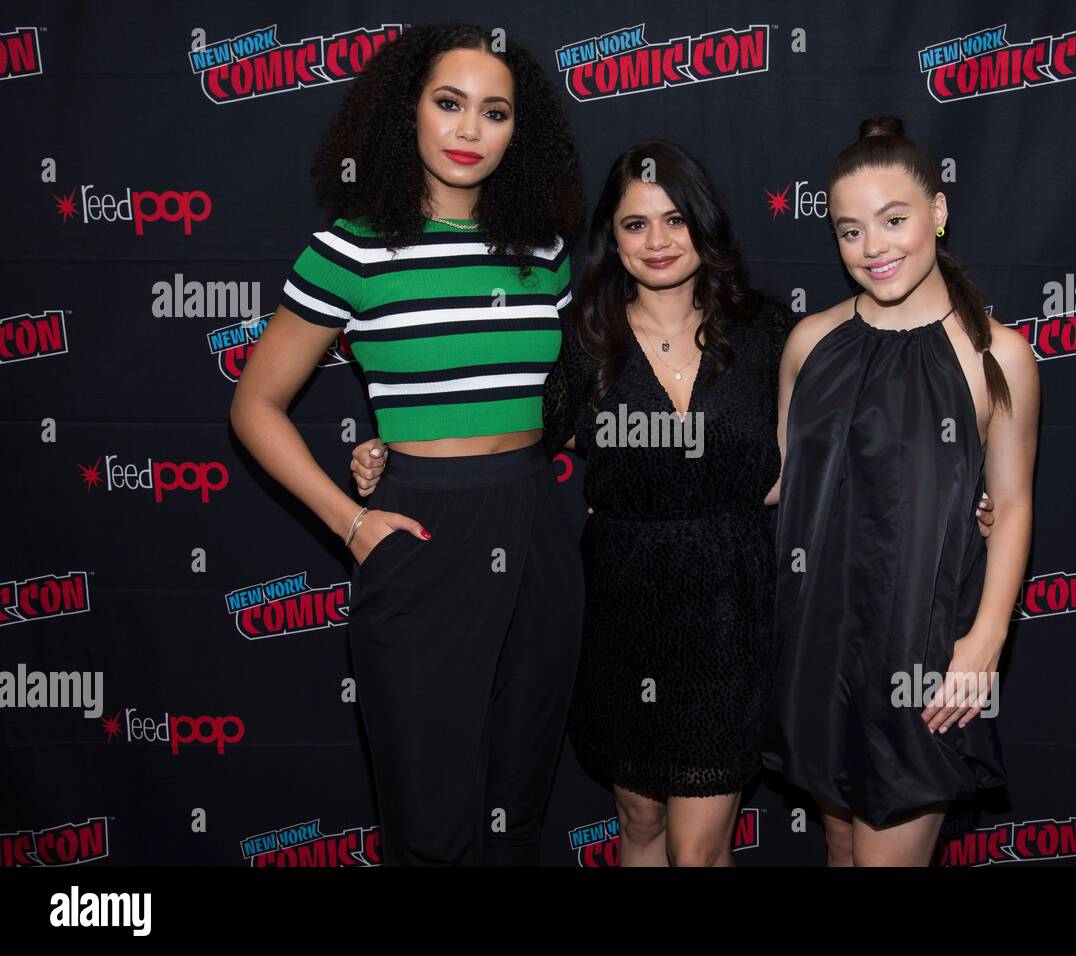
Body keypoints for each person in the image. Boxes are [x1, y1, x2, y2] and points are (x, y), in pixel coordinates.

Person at [353, 140, 1000, 866]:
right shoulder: (582, 341)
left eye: (674, 220)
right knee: (638, 824)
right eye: (635, 225)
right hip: (620, 613)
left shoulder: (772, 334)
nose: (657, 241)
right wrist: (397, 456)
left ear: (705, 224)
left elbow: (835, 455)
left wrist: (962, 497)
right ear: (613, 236)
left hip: (734, 615)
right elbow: (505, 443)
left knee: (697, 852)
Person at [229, 22, 586, 865]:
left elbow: (552, 399)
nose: (470, 130)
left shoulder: (547, 253)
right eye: (449, 104)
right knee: (429, 829)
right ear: (406, 114)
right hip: (422, 534)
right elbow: (255, 406)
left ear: (518, 132)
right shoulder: (349, 249)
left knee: (517, 811)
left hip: (538, 527)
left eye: (495, 113)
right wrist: (352, 521)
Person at [762, 115, 1039, 867]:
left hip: (923, 655)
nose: (874, 247)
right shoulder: (809, 343)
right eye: (851, 231)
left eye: (894, 220)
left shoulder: (998, 355)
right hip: (815, 646)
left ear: (938, 212)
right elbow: (782, 487)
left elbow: (1011, 503)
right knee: (844, 846)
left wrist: (983, 644)